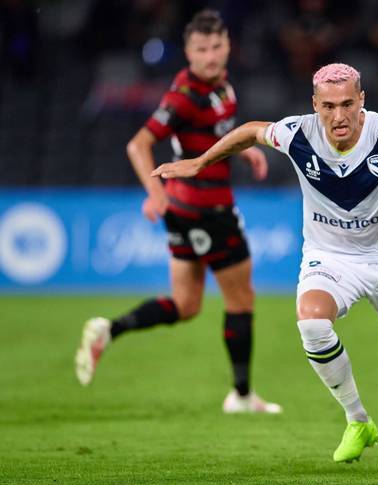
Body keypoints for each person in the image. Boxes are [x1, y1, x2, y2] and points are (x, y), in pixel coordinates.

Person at [151, 63, 378, 468]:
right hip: (330, 257)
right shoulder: (298, 133)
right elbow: (250, 131)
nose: (339, 116)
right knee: (312, 322)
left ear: (362, 100)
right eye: (329, 106)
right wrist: (199, 163)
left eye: (348, 104)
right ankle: (358, 420)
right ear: (315, 104)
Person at [74, 9, 282, 415]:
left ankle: (109, 329)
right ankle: (241, 396)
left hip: (186, 211)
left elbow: (211, 135)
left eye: (216, 46)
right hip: (208, 209)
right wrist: (155, 193)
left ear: (228, 46)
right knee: (241, 300)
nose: (210, 55)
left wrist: (245, 152)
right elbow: (138, 144)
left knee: (186, 304)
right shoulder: (184, 96)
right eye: (201, 49)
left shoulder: (222, 87)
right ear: (188, 53)